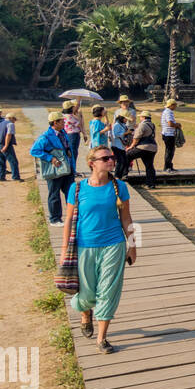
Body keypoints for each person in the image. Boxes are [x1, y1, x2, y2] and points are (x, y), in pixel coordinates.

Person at [64, 145, 135, 355]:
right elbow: (68, 220)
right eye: (105, 158)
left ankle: (102, 338)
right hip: (84, 246)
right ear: (92, 163)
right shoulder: (77, 188)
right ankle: (85, 314)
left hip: (114, 245)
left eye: (111, 157)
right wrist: (64, 250)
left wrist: (132, 245)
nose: (110, 160)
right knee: (85, 293)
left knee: (108, 290)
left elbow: (127, 218)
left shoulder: (119, 186)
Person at [30, 111, 76, 225]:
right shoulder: (46, 136)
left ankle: (73, 216)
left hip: (67, 168)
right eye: (62, 121)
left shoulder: (63, 132)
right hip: (55, 170)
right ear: (55, 122)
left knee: (70, 193)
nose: (64, 123)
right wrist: (50, 158)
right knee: (54, 194)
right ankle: (55, 219)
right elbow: (34, 150)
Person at [128, 111, 158, 187]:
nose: (140, 118)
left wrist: (131, 146)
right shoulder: (152, 125)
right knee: (149, 165)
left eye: (141, 117)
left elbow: (136, 138)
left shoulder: (142, 125)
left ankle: (123, 174)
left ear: (144, 117)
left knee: (126, 156)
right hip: (152, 147)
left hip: (143, 147)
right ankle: (151, 183)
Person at [0, 114, 22, 182]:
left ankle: (1, 177)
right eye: (14, 119)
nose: (15, 121)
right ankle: (15, 177)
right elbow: (9, 135)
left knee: (1, 161)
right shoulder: (10, 124)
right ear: (11, 118)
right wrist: (6, 146)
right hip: (5, 145)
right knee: (13, 161)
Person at [160, 99, 180, 172]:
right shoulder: (169, 112)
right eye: (175, 105)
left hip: (167, 133)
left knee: (170, 150)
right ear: (171, 105)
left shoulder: (167, 111)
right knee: (169, 151)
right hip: (169, 134)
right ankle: (167, 167)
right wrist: (177, 125)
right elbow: (170, 124)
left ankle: (169, 166)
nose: (175, 107)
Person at [110, 114, 130, 179]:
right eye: (125, 118)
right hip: (116, 145)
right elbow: (114, 135)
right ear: (121, 118)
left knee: (125, 161)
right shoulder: (116, 125)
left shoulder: (123, 125)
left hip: (122, 146)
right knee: (120, 161)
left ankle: (120, 176)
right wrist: (125, 133)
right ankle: (116, 176)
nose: (126, 120)